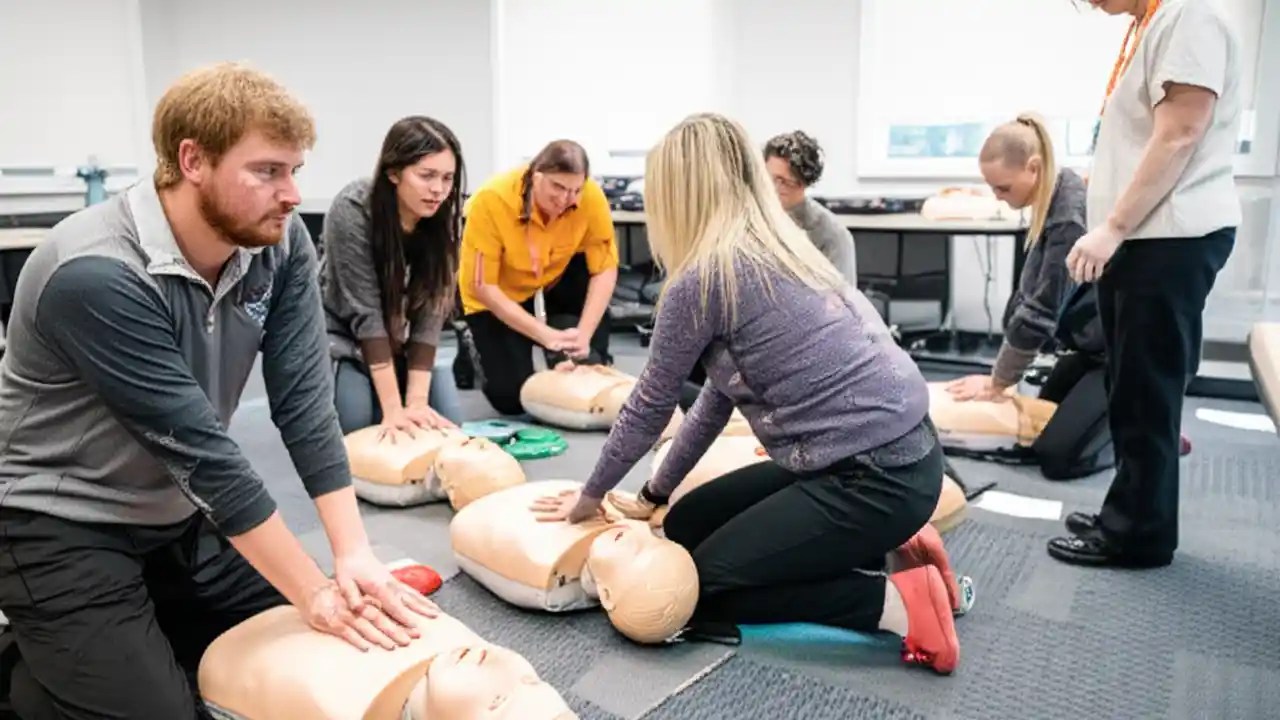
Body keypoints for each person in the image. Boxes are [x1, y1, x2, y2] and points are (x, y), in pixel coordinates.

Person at [0, 63, 437, 719]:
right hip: (56, 525)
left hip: (176, 515)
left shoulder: (280, 243)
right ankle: (29, 668)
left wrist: (352, 556)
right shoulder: (93, 273)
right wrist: (313, 589)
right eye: (268, 171)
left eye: (296, 170)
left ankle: (87, 655)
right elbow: (205, 456)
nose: (292, 193)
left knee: (321, 649)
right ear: (192, 160)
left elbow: (305, 406)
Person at [530, 113, 961, 675]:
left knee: (691, 589)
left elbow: (649, 407)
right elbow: (717, 396)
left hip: (873, 478)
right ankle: (890, 548)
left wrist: (588, 497)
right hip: (892, 462)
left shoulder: (703, 279)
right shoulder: (777, 246)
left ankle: (894, 604)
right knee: (684, 525)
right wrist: (655, 493)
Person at [1052, 0, 1241, 567]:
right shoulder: (1154, 23)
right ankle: (1131, 510)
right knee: (1131, 386)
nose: (1089, 4)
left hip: (1166, 237)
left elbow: (1181, 132)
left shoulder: (1189, 17)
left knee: (1146, 390)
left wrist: (1112, 226)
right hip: (1148, 239)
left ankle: (1138, 534)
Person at [944, 114, 1111, 480]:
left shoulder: (1069, 217)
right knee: (1037, 436)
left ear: (1033, 168)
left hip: (1119, 352)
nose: (999, 199)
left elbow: (1040, 311)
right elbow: (1028, 295)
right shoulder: (1053, 195)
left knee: (1058, 458)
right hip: (1087, 349)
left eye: (1002, 188)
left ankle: (1146, 424)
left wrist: (996, 382)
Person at [321, 115, 466, 438]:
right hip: (345, 336)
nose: (438, 190)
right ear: (393, 172)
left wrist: (415, 403)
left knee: (447, 423)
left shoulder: (444, 216)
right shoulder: (353, 209)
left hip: (400, 336)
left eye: (447, 178)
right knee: (357, 424)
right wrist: (392, 411)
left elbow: (431, 312)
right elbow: (365, 313)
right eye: (426, 176)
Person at [453, 140, 619, 415]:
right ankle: (471, 343)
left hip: (554, 274)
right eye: (558, 188)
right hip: (499, 292)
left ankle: (573, 346)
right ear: (535, 176)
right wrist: (545, 335)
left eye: (575, 190)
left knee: (587, 372)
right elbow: (483, 286)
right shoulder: (491, 200)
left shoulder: (589, 196)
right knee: (511, 399)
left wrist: (583, 335)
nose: (567, 199)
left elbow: (604, 268)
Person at [763, 130, 858, 285]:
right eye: (768, 178)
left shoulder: (832, 236)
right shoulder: (752, 222)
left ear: (803, 182)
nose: (772, 188)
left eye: (783, 181)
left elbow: (841, 302)